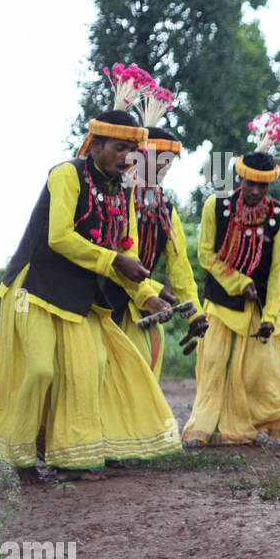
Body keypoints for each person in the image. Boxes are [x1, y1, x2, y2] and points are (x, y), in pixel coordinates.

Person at [0, 100, 181, 482]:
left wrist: (146, 296)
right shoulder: (66, 174)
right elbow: (59, 237)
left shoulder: (124, 193)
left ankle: (71, 460)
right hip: (34, 287)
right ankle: (22, 459)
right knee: (39, 370)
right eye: (118, 148)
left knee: (93, 369)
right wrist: (113, 262)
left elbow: (129, 254)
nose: (127, 158)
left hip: (80, 297)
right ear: (94, 146)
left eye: (132, 151)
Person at [182, 113, 280, 445]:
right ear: (240, 180)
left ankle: (242, 426)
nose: (256, 190)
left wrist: (270, 316)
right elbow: (205, 255)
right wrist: (238, 281)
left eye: (263, 185)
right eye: (250, 184)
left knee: (255, 375)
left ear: (270, 184)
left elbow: (276, 273)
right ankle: (205, 428)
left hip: (256, 312)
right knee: (214, 366)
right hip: (220, 304)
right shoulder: (216, 206)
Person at [109, 80, 207, 378]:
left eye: (169, 162)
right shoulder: (114, 194)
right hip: (101, 298)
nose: (162, 168)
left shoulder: (165, 208)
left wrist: (196, 314)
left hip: (143, 307)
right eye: (156, 160)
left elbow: (180, 270)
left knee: (145, 370)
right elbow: (108, 253)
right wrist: (153, 289)